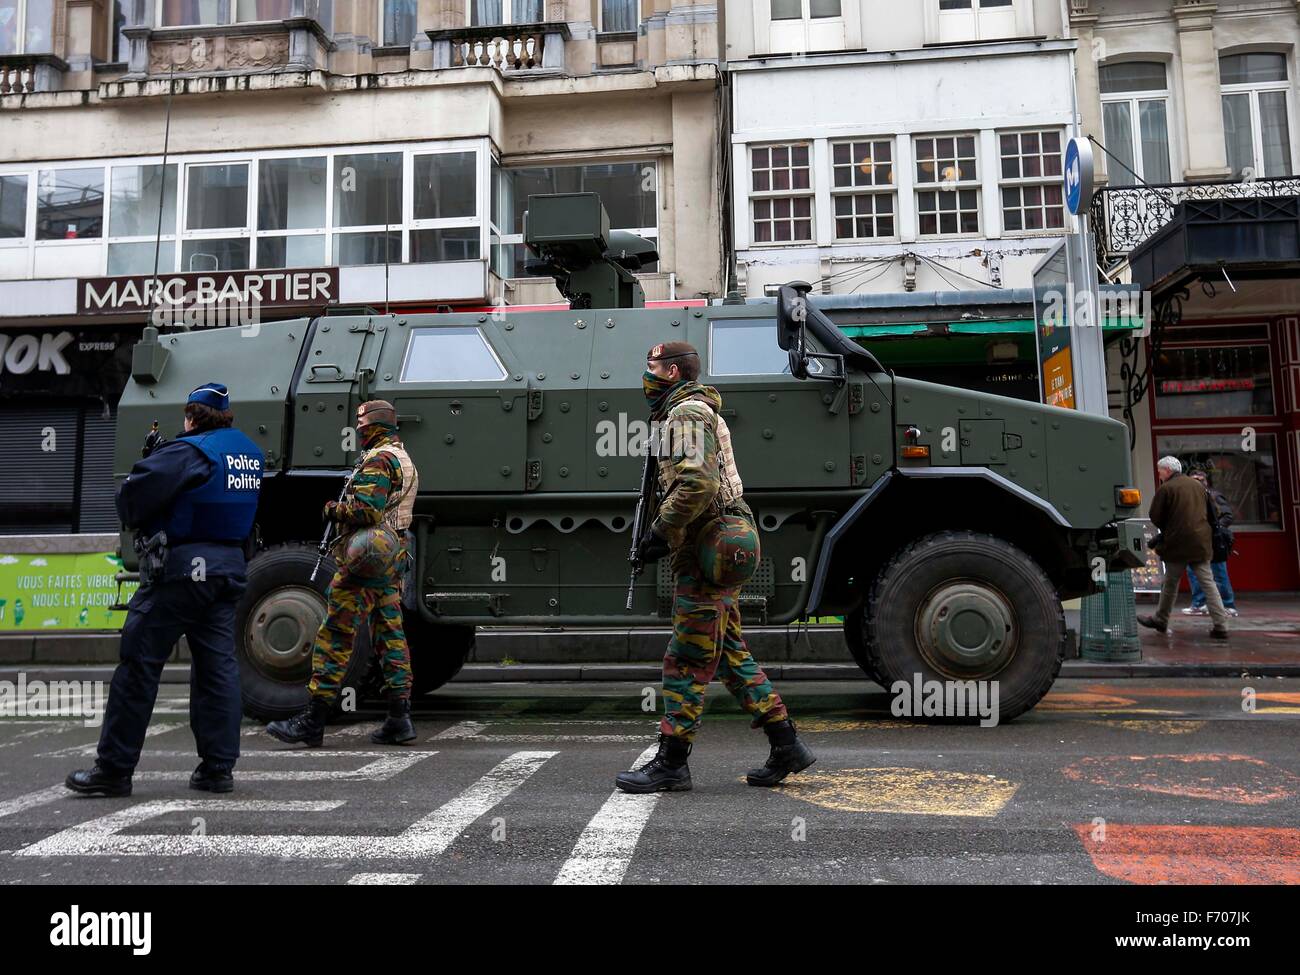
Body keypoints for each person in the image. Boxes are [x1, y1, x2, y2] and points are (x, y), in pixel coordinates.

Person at [615, 342, 815, 794]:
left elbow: (697, 483)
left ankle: (671, 763)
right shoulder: (687, 410)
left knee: (686, 655)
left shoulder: (685, 413)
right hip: (720, 542)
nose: (644, 377)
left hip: (710, 543)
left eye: (650, 368)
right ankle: (786, 744)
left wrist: (660, 533)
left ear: (670, 371)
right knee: (727, 651)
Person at [67, 382, 264, 796]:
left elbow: (133, 498)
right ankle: (217, 769)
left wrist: (156, 458)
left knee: (138, 664)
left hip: (179, 574)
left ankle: (113, 770)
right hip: (228, 571)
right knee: (218, 670)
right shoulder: (249, 452)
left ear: (191, 417)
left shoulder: (188, 450)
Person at [266, 400, 419, 748]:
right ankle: (399, 717)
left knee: (336, 632)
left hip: (367, 559)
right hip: (392, 555)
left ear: (372, 428)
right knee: (390, 633)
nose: (359, 432)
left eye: (362, 427)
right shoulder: (402, 456)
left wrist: (333, 509)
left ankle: (313, 719)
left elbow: (366, 511)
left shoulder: (380, 460)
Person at [1138, 456, 1229, 640]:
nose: (1159, 474)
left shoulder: (1166, 489)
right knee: (1208, 583)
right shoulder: (1199, 487)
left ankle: (1161, 619)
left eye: (1160, 471)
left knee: (1170, 583)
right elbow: (1215, 512)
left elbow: (1155, 517)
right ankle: (1221, 624)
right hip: (1201, 543)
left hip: (1177, 544)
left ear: (1168, 471)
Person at [1182, 470, 1239, 618]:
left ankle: (1228, 605)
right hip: (1194, 540)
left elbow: (1228, 516)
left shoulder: (1214, 495)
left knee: (1219, 572)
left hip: (1213, 540)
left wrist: (1214, 529)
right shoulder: (1188, 497)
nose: (1198, 482)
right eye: (1194, 479)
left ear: (1206, 481)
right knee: (1193, 572)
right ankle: (1199, 604)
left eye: (1201, 479)